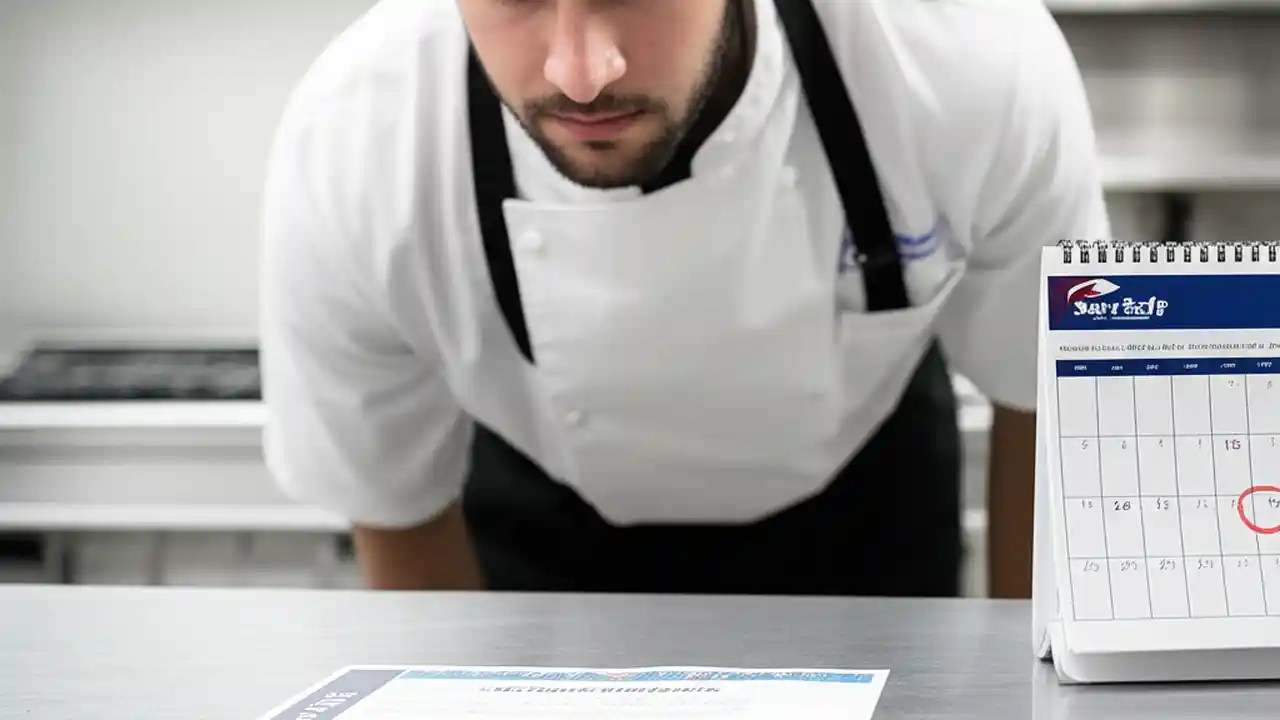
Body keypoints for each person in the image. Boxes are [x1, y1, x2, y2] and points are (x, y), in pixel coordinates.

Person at [260, 0, 1109, 598]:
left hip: (867, 526)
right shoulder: (356, 144)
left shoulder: (970, 60)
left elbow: (1045, 399)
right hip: (537, 551)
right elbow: (396, 510)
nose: (581, 72)